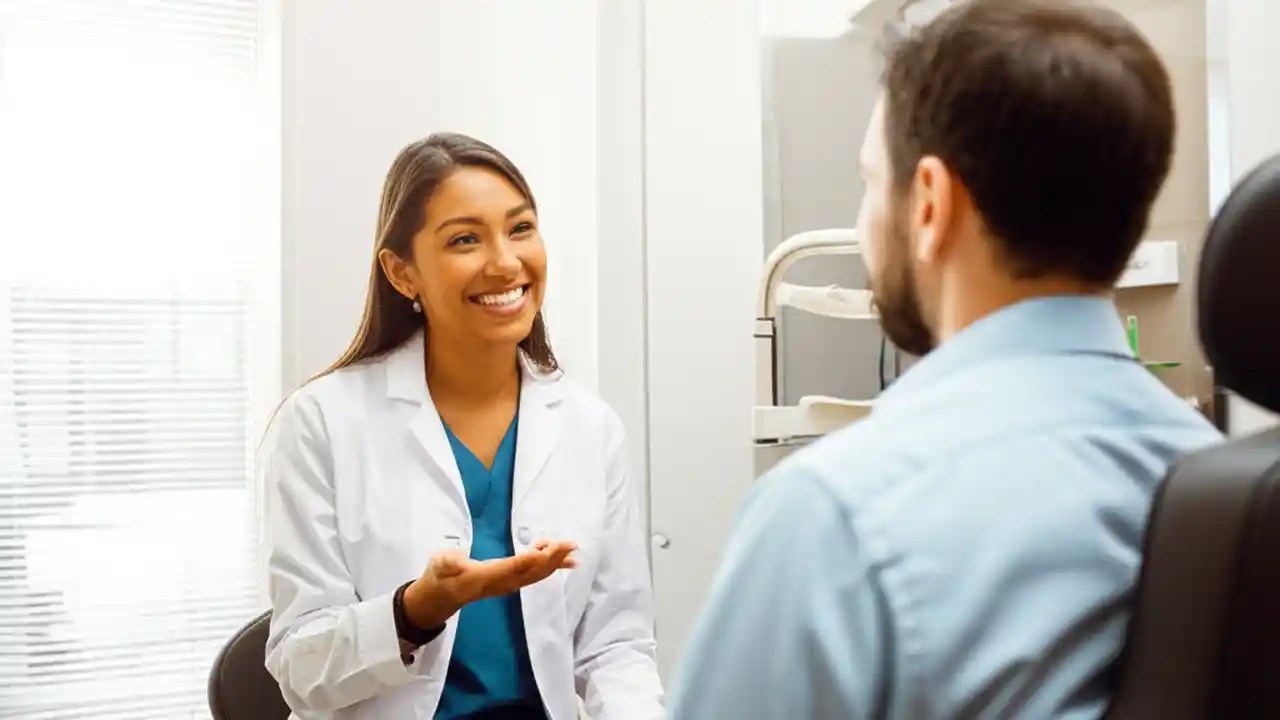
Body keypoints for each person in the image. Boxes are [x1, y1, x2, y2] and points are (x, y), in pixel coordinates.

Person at [670, 1, 1222, 718]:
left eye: (872, 183)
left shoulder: (836, 517)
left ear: (929, 203)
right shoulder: (1222, 484)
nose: (867, 219)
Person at [261, 133, 663, 719]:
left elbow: (616, 646)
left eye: (520, 228)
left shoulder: (590, 427)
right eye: (465, 240)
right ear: (402, 273)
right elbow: (302, 670)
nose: (505, 262)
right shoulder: (320, 422)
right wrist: (417, 609)